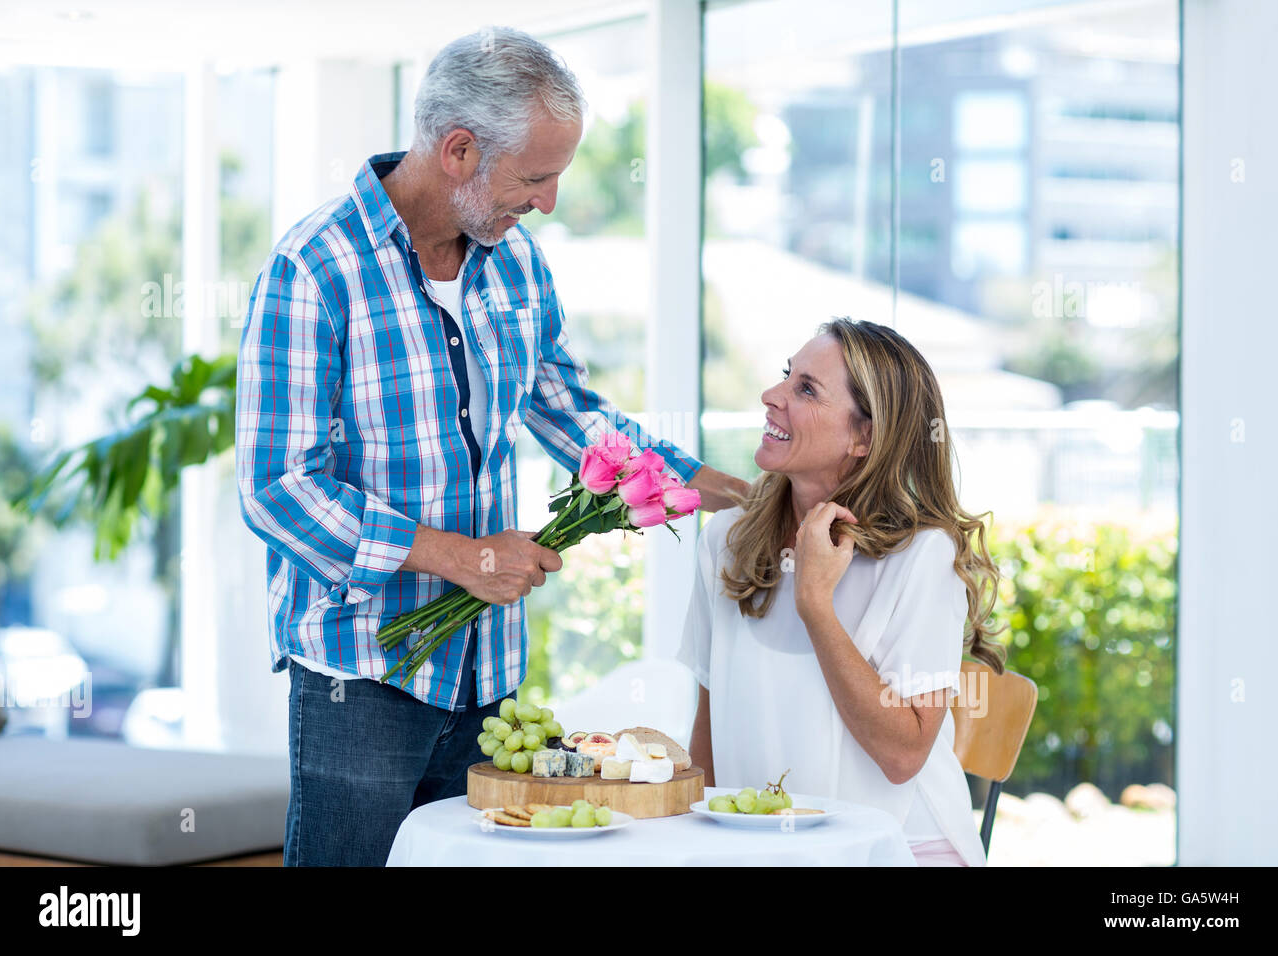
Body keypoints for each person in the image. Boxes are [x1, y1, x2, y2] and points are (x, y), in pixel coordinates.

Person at [234, 27, 747, 866]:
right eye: (536, 177)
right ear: (460, 150)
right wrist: (460, 559)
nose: (548, 202)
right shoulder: (313, 270)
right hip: (360, 674)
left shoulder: (515, 266)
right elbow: (277, 489)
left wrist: (699, 480)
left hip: (487, 674)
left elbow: (565, 408)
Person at [677, 318, 1007, 867]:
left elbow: (903, 756)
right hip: (765, 849)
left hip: (898, 848)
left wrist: (815, 605)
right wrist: (697, 837)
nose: (771, 396)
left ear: (865, 438)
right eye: (788, 376)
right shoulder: (726, 540)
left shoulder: (922, 556)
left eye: (806, 389)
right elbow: (708, 727)